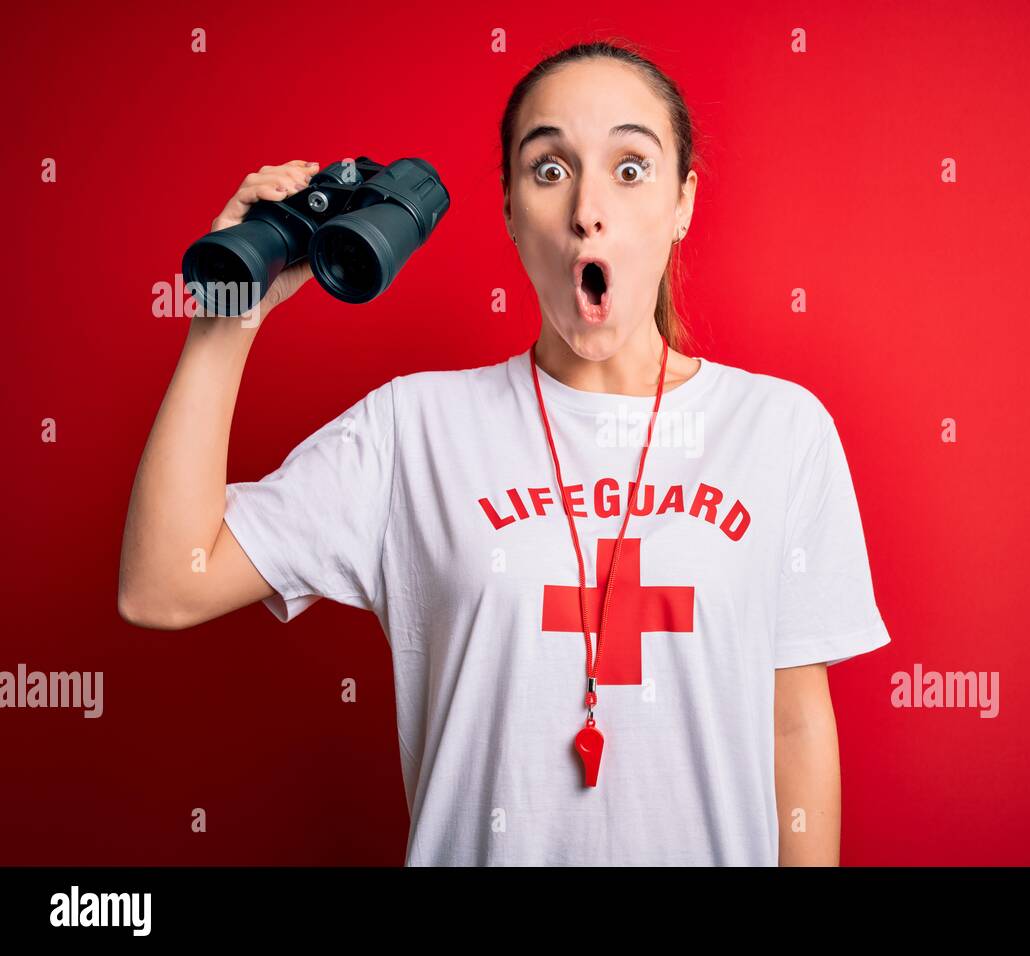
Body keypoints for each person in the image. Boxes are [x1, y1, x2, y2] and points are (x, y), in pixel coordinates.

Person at [117, 39, 892, 866]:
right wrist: (230, 312)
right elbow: (164, 584)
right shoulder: (415, 430)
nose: (588, 208)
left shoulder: (780, 429)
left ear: (682, 204)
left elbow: (795, 721)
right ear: (511, 210)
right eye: (549, 170)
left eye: (631, 168)